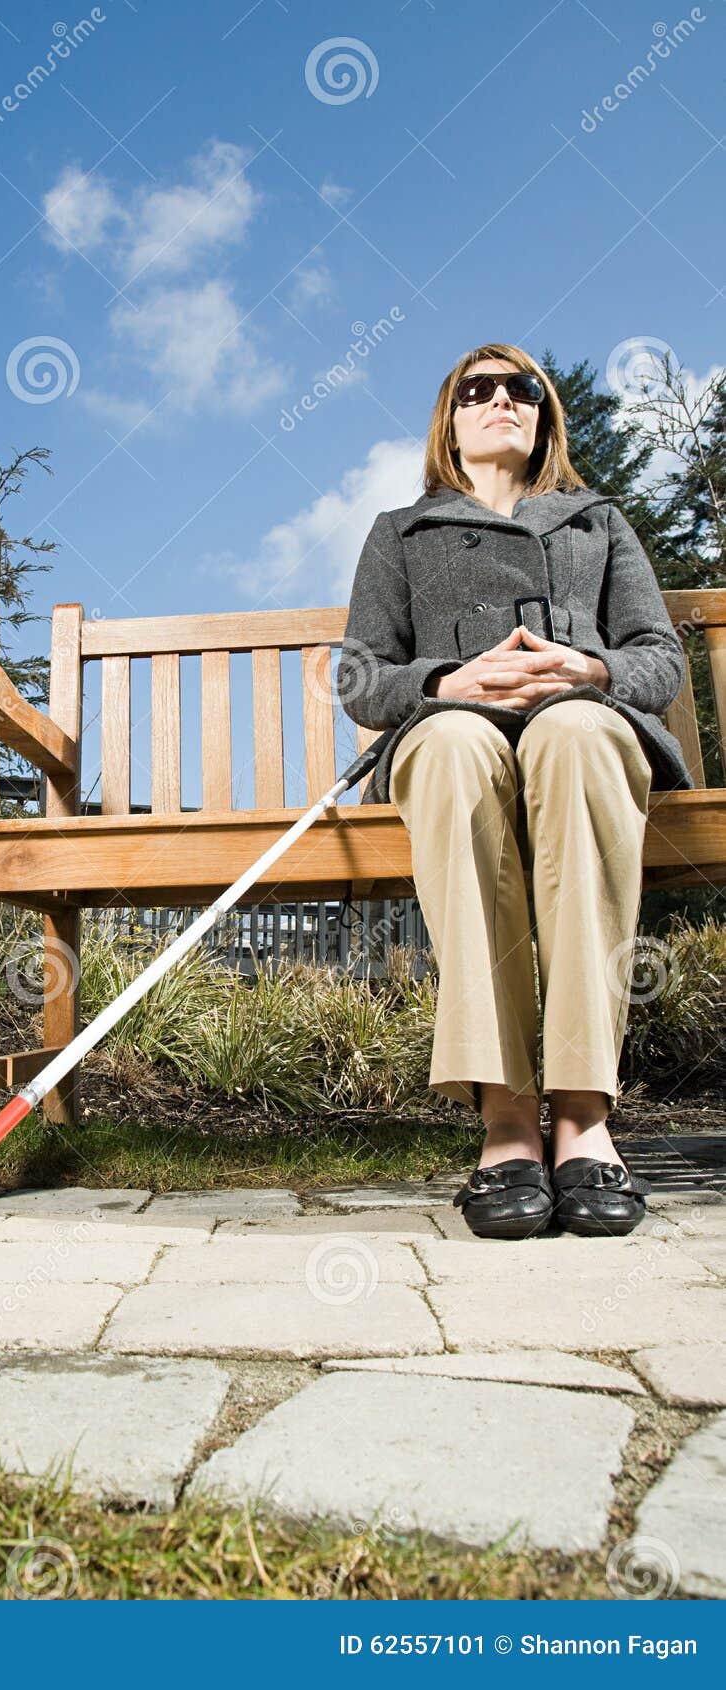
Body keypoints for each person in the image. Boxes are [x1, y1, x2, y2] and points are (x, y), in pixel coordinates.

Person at [337, 343, 692, 1240]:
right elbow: (357, 676)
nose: (501, 399)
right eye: (477, 389)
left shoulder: (595, 524)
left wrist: (590, 666)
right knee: (454, 748)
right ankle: (504, 1120)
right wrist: (443, 685)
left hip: (580, 732)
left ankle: (581, 1118)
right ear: (448, 419)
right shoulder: (400, 533)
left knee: (573, 733)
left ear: (543, 416)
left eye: (521, 389)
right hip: (453, 740)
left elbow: (658, 659)